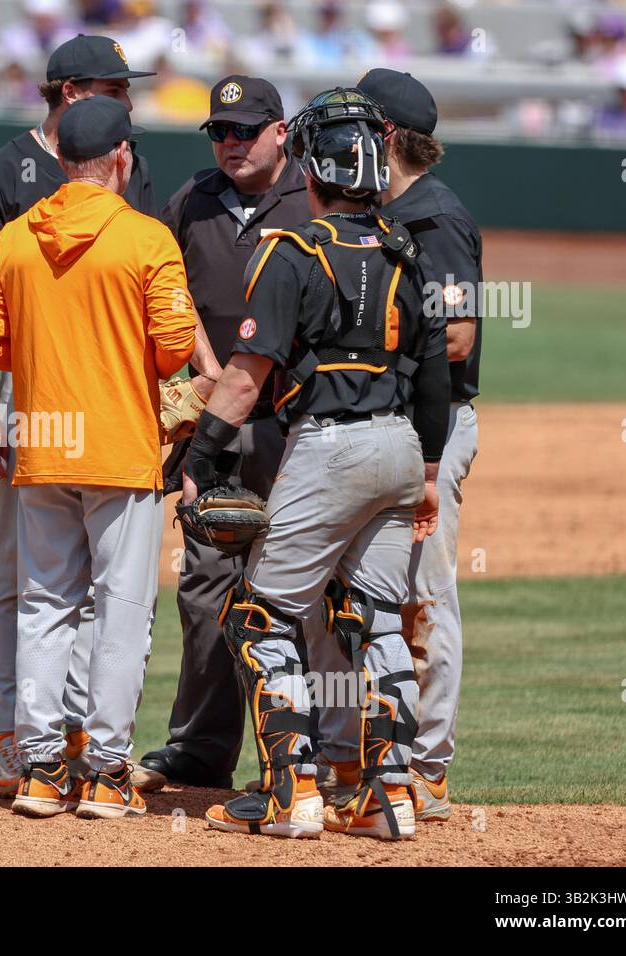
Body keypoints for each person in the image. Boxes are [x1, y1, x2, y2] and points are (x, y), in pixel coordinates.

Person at [185, 88, 449, 841]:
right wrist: (428, 472)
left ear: (312, 172)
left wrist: (203, 454)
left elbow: (247, 373)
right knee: (373, 619)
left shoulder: (293, 252)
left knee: (258, 615)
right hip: (400, 446)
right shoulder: (408, 252)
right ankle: (386, 796)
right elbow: (434, 380)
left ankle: (291, 792)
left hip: (332, 450)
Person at [0, 96, 197, 820]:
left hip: (42, 442)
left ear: (62, 159)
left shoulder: (17, 237)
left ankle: (37, 769)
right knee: (121, 610)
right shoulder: (147, 238)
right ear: (121, 157)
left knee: (43, 605)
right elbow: (177, 350)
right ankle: (101, 772)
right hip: (119, 449)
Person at [138, 75, 309, 790]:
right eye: (220, 131)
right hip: (213, 431)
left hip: (296, 427)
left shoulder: (314, 198)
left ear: (281, 130)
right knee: (206, 587)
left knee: (298, 589)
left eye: (246, 129)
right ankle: (203, 749)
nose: (232, 143)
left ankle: (311, 752)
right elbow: (159, 294)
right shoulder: (193, 201)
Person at [357, 69, 483, 822]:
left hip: (432, 428)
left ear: (388, 137)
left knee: (423, 598)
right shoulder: (380, 209)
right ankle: (379, 757)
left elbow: (459, 336)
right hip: (388, 425)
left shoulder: (432, 215)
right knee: (373, 596)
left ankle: (428, 766)